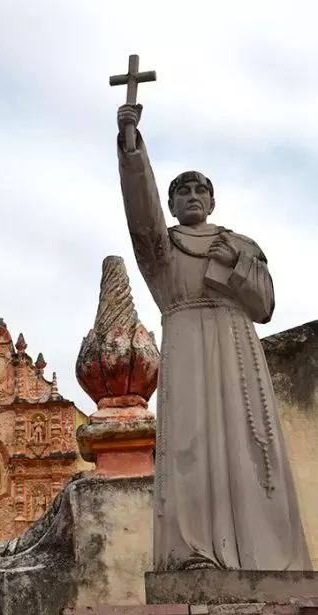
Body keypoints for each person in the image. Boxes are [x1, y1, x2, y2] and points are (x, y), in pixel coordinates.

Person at [117, 102, 310, 571]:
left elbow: (264, 305)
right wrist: (131, 147)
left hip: (237, 345)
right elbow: (140, 214)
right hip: (185, 341)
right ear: (172, 204)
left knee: (248, 443)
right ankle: (193, 553)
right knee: (190, 446)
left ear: (213, 199)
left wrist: (233, 263)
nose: (192, 196)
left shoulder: (240, 244)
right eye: (181, 191)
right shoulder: (163, 249)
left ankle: (263, 556)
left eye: (200, 189)